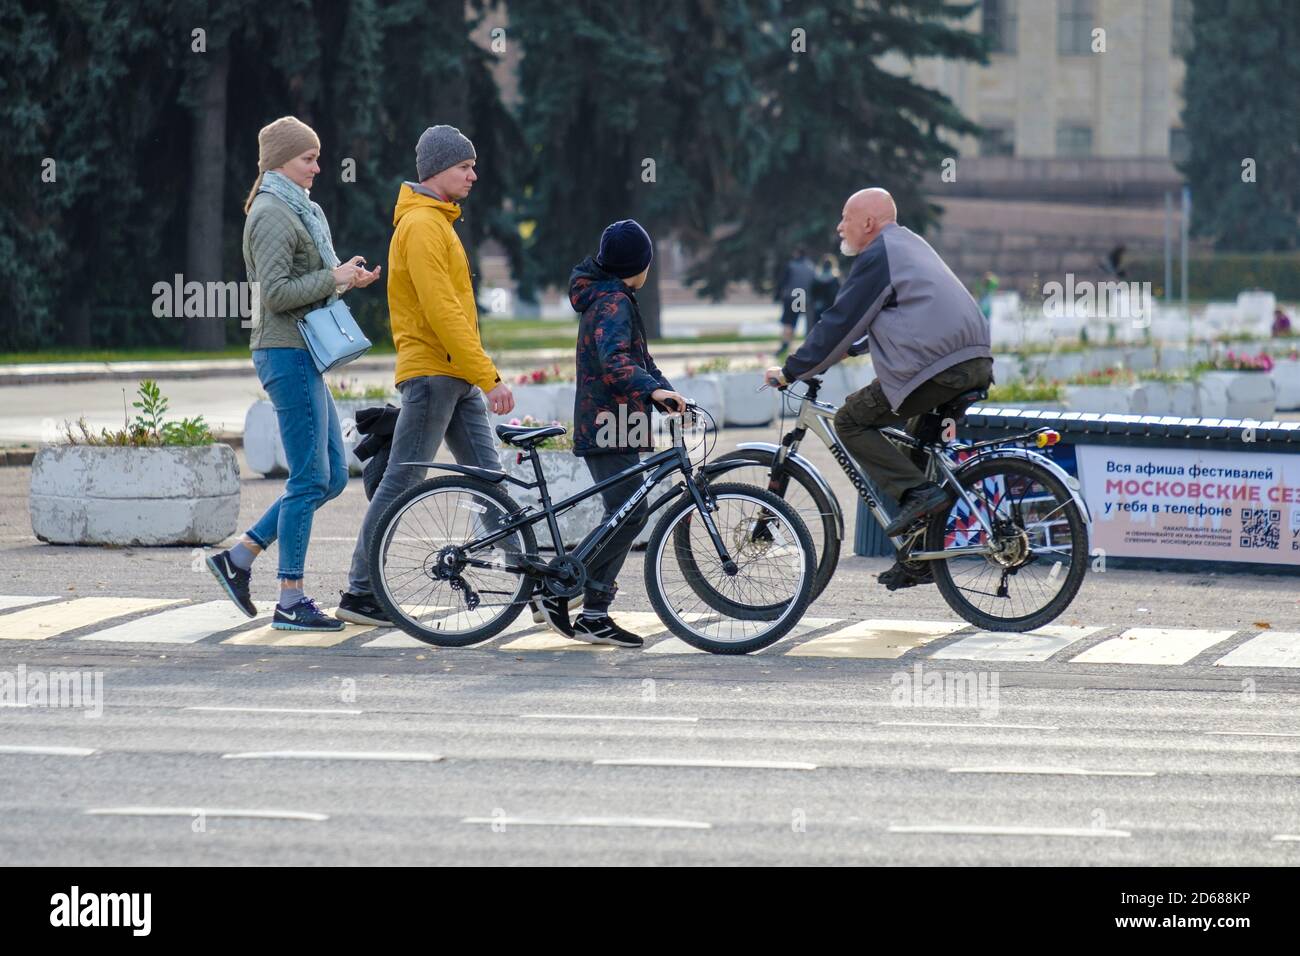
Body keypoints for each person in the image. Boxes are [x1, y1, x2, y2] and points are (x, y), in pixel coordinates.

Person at [763, 187, 993, 590]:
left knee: (852, 420)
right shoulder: (909, 244)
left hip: (938, 368)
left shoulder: (878, 255)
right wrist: (848, 350)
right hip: (971, 361)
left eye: (845, 218)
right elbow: (902, 316)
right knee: (911, 449)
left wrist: (792, 370)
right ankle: (919, 555)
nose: (839, 227)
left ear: (868, 222)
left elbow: (839, 320)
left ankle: (919, 498)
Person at [334, 125, 516, 626]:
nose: (474, 175)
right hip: (435, 376)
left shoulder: (438, 223)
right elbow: (442, 312)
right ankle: (361, 593)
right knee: (403, 481)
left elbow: (454, 311)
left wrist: (476, 374)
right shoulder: (420, 227)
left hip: (453, 377)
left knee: (490, 481)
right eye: (465, 167)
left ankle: (535, 587)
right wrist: (489, 377)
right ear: (437, 170)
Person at [207, 116, 381, 632]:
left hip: (303, 351)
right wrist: (331, 276)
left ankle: (239, 558)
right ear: (281, 159)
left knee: (327, 476)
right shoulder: (270, 214)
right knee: (309, 478)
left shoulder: (296, 208)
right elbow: (275, 293)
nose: (318, 167)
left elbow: (305, 283)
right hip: (285, 353)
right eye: (309, 158)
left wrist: (345, 278)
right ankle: (291, 598)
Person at [561, 219, 686, 647]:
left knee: (626, 512)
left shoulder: (614, 297)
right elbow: (616, 364)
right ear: (641, 264)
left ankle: (590, 607)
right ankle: (575, 595)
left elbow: (641, 361)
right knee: (628, 513)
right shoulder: (613, 302)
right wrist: (653, 390)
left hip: (619, 422)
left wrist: (664, 392)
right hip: (607, 422)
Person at [774, 248, 816, 358]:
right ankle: (802, 347)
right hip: (804, 298)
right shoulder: (811, 267)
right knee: (802, 323)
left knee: (789, 323)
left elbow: (782, 282)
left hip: (791, 297)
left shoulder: (791, 266)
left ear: (796, 254)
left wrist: (777, 296)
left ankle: (785, 346)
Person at [810, 256, 841, 334]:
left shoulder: (817, 277)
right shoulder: (835, 279)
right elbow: (838, 293)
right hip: (830, 306)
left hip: (818, 305)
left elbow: (812, 292)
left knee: (816, 327)